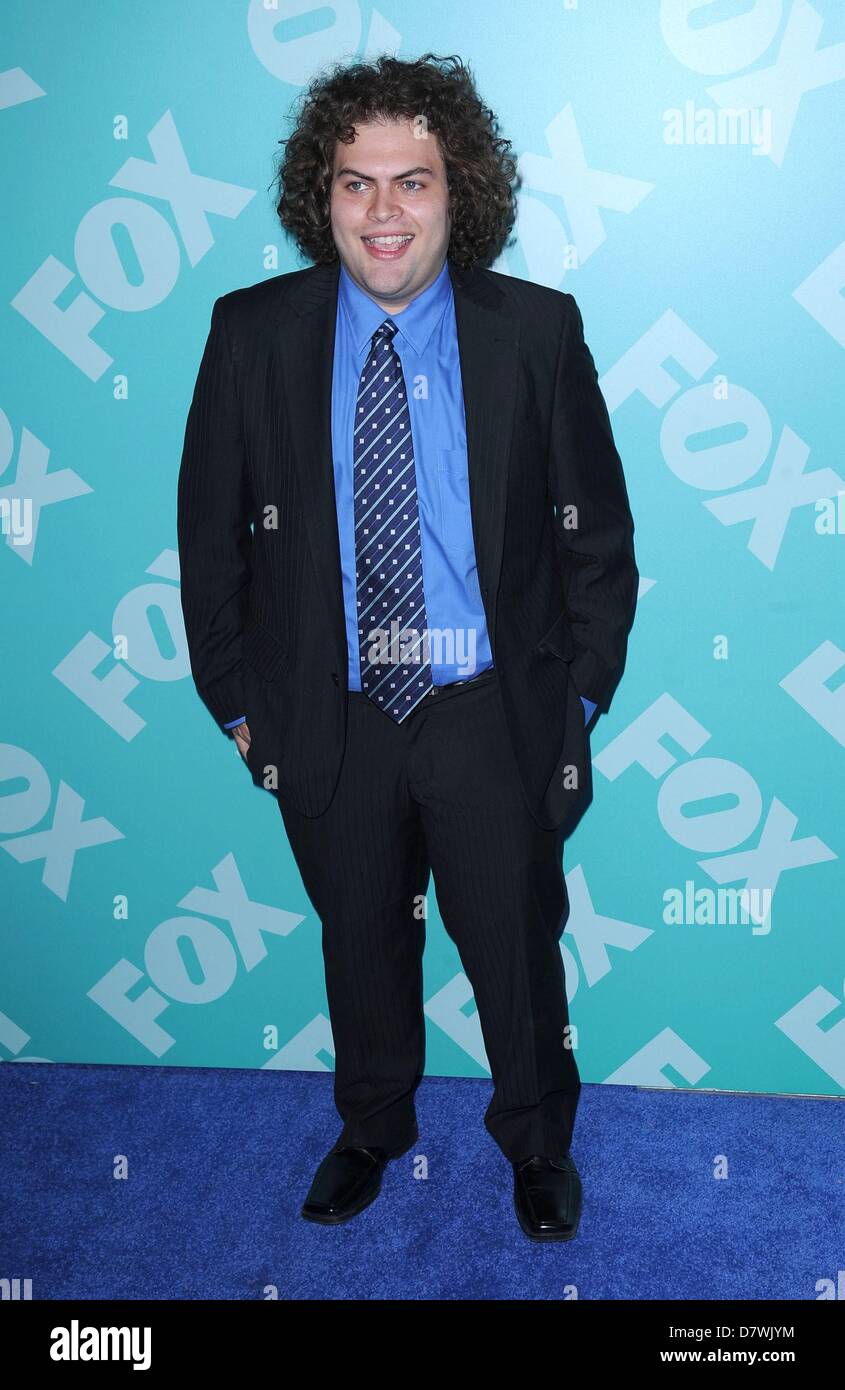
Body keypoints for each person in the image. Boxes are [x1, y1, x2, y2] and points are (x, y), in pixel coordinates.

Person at [177, 52, 638, 1242]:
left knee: (514, 951)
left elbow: (596, 533)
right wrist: (240, 708)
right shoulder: (251, 334)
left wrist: (574, 696)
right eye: (354, 184)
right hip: (325, 711)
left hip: (487, 702)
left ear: (457, 193)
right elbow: (207, 539)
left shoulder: (533, 333)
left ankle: (535, 1140)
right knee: (360, 944)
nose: (382, 213)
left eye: (412, 183)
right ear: (318, 197)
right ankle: (371, 1123)